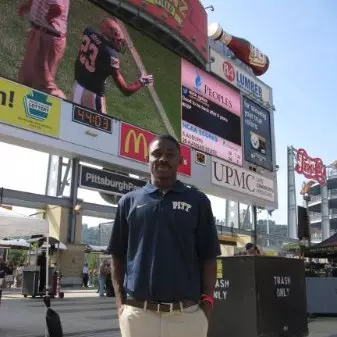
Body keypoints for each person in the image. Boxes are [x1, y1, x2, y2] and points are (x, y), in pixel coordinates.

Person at [107, 134, 221, 337]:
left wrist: (207, 305)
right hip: (138, 315)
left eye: (170, 154)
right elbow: (117, 254)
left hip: (187, 315)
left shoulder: (198, 201)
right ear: (147, 159)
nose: (163, 159)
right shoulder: (128, 202)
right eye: (157, 154)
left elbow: (209, 257)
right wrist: (120, 303)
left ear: (180, 160)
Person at [72, 17, 153, 114]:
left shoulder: (89, 32)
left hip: (77, 87)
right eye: (119, 40)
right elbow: (126, 90)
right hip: (93, 96)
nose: (119, 43)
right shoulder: (110, 55)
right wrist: (142, 81)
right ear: (112, 35)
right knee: (98, 129)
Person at [18, 0, 69, 98]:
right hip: (41, 31)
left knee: (44, 84)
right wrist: (28, 5)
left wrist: (45, 20)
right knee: (26, 77)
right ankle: (20, 105)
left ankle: (63, 106)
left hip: (48, 36)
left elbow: (57, 8)